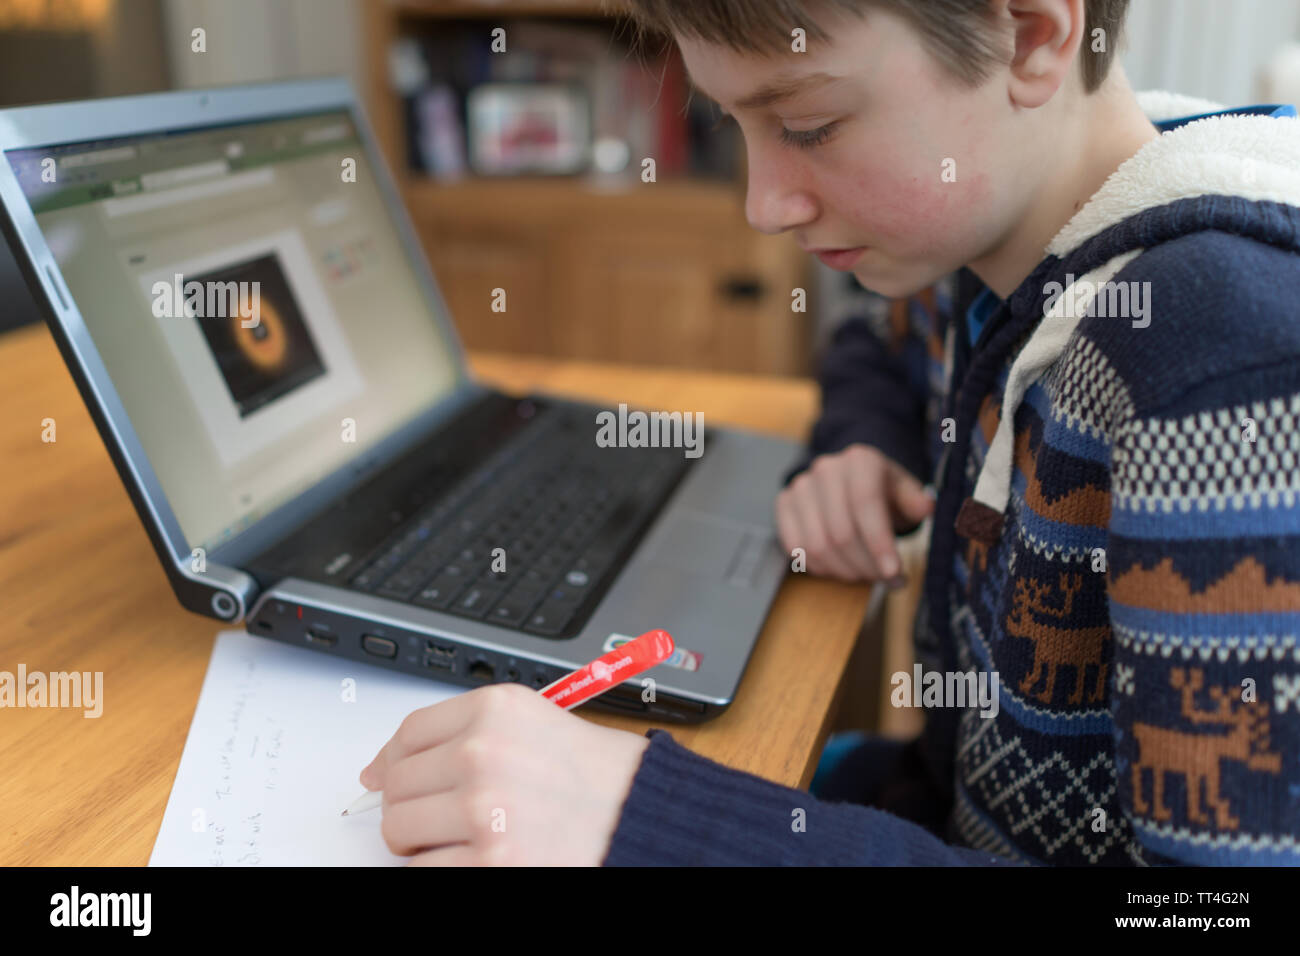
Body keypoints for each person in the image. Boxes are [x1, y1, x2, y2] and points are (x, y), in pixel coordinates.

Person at [361, 0, 1300, 865]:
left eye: (808, 126)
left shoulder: (1219, 367)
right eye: (736, 126)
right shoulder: (991, 230)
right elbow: (875, 348)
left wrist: (655, 826)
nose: (763, 206)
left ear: (1031, 36)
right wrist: (864, 445)